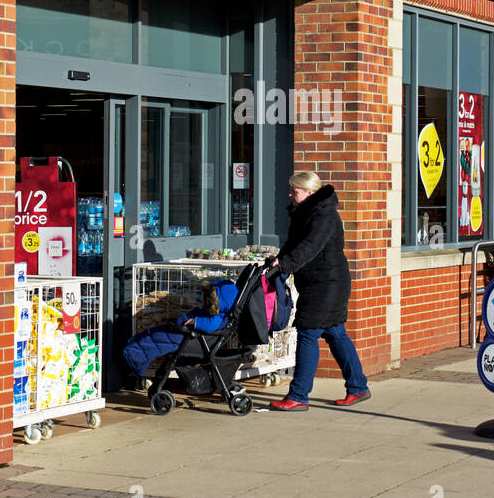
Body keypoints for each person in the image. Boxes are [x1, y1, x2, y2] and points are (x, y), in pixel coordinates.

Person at [264, 171, 370, 411]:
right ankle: (358, 386)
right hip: (320, 281)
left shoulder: (325, 216)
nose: (290, 194)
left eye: (295, 191)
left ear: (309, 192)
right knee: (335, 333)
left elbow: (311, 246)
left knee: (308, 333)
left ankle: (299, 395)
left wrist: (286, 263)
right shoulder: (306, 213)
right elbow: (295, 244)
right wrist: (279, 259)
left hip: (327, 284)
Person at [121, 279, 238, 381]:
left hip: (186, 337)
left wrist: (195, 321)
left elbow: (210, 325)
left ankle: (132, 357)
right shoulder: (217, 314)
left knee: (154, 339)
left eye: (209, 298)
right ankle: (133, 352)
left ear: (220, 301)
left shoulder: (218, 317)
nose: (205, 300)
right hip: (185, 333)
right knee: (153, 336)